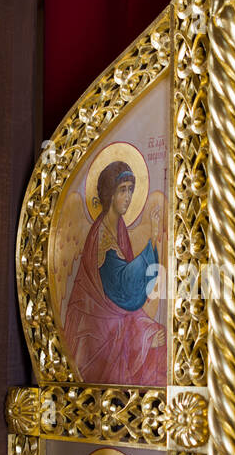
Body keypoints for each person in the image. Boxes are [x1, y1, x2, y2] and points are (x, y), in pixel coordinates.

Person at [63, 161, 165, 385]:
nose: (128, 196)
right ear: (110, 194)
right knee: (156, 346)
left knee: (162, 341)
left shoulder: (118, 229)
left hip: (116, 316)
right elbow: (122, 289)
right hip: (98, 329)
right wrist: (152, 243)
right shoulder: (102, 236)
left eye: (130, 189)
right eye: (122, 190)